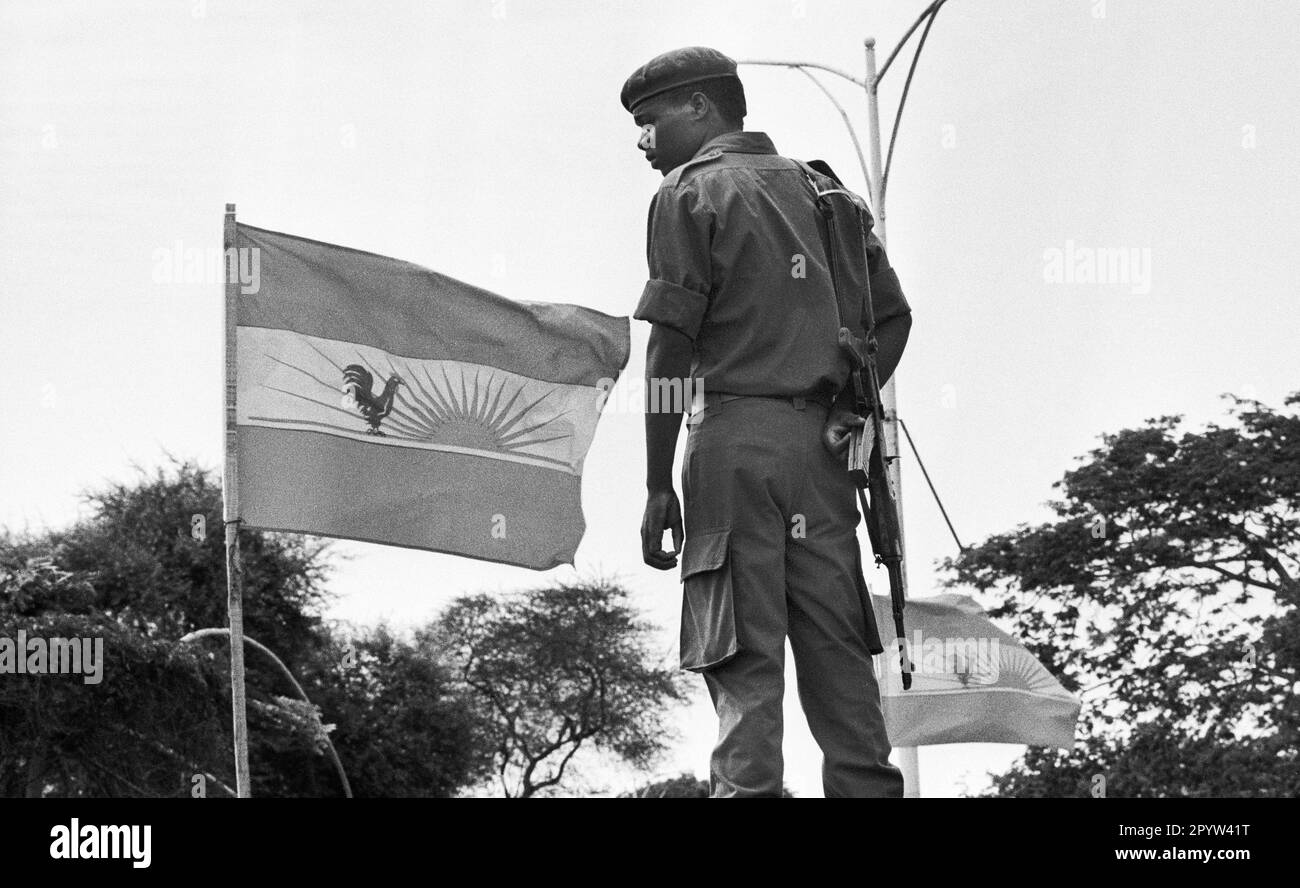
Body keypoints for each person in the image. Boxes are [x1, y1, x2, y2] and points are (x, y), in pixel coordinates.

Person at [622, 46, 913, 798]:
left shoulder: (689, 194)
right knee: (841, 661)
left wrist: (658, 483)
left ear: (701, 108)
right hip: (823, 452)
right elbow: (894, 317)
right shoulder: (831, 196)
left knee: (744, 664)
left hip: (732, 443)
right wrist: (853, 405)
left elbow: (670, 350)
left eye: (651, 122)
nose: (642, 142)